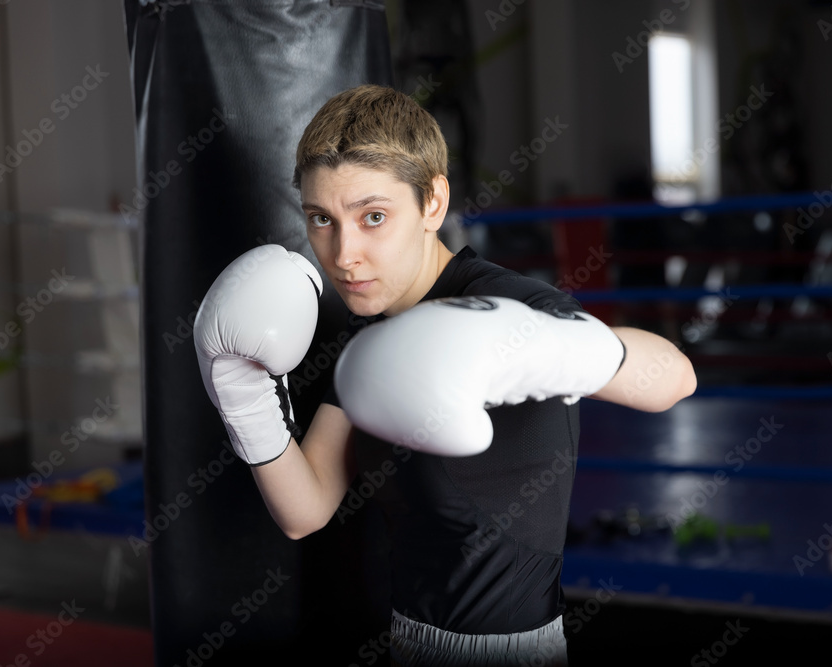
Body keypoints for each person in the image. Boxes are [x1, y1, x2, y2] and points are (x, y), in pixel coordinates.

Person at [193, 84, 697, 666]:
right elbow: (306, 511)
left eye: (373, 217)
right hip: (409, 641)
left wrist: (545, 346)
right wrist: (242, 391)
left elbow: (673, 379)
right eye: (321, 219)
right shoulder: (370, 340)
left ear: (433, 203)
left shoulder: (500, 303)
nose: (343, 253)